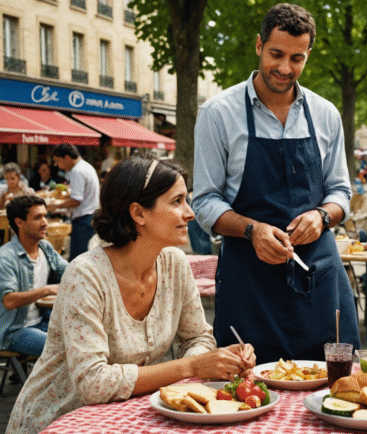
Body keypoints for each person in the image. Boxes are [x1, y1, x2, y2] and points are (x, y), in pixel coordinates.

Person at [7, 157, 256, 433]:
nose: (190, 213)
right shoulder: (86, 274)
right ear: (138, 213)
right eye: (177, 201)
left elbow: (196, 337)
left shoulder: (174, 264)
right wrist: (193, 366)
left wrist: (210, 363)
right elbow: (94, 383)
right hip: (59, 420)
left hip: (128, 417)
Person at [191, 3, 360, 362]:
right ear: (258, 46)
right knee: (248, 393)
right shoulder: (218, 113)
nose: (285, 68)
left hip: (319, 277)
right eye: (277, 54)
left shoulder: (326, 114)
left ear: (308, 56)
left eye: (297, 58)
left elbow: (341, 192)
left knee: (334, 392)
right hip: (249, 281)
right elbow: (205, 201)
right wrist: (253, 230)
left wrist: (323, 217)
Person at [0, 196, 68, 357]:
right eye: (38, 217)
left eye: (46, 216)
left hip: (42, 321)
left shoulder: (45, 247)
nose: (45, 222)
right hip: (14, 330)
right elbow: (9, 301)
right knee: (67, 349)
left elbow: (71, 271)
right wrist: (46, 290)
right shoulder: (5, 257)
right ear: (19, 222)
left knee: (87, 338)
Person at [49, 143, 100, 260]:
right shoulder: (84, 167)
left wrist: (56, 206)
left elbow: (76, 200)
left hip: (84, 220)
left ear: (67, 158)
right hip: (88, 217)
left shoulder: (77, 171)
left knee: (78, 259)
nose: (58, 166)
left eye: (58, 161)